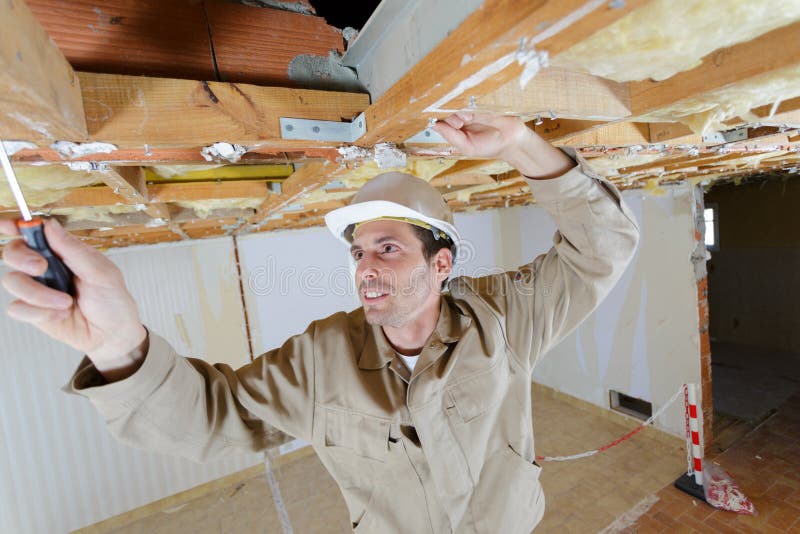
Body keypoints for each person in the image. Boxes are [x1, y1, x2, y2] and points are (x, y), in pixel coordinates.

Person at [1, 113, 639, 533]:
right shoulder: (320, 359)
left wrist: (525, 145)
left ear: (441, 261)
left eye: (387, 248)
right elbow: (212, 417)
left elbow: (602, 248)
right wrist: (118, 345)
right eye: (358, 252)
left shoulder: (504, 317)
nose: (365, 267)